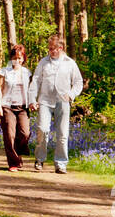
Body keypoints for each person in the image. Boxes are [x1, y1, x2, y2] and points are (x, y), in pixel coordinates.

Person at [28, 35, 83, 174]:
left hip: (62, 102)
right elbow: (35, 81)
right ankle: (39, 159)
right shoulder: (43, 63)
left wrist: (71, 95)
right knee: (42, 130)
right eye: (49, 49)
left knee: (63, 134)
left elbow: (78, 82)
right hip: (45, 101)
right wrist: (32, 100)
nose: (51, 51)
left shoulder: (70, 63)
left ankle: (61, 163)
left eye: (53, 49)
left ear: (61, 48)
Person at [0, 43, 34, 171]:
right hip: (8, 106)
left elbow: (31, 89)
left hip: (23, 107)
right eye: (15, 57)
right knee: (9, 134)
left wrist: (34, 102)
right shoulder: (4, 71)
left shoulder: (27, 72)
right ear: (11, 58)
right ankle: (13, 162)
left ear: (23, 59)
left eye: (20, 58)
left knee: (25, 133)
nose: (17, 60)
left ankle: (17, 152)